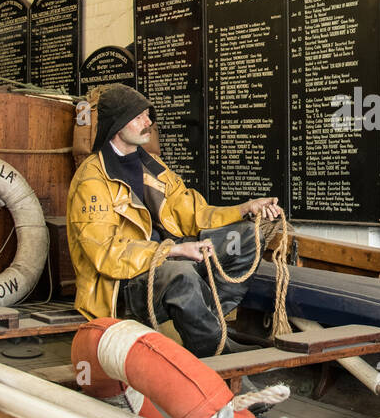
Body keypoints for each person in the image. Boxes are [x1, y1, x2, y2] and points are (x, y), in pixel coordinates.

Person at [67, 84, 283, 358]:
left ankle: (207, 330)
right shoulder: (92, 179)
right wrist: (172, 251)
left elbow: (194, 213)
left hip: (168, 260)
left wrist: (245, 208)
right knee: (181, 273)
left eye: (148, 115)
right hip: (125, 282)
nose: (149, 123)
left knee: (244, 239)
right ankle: (218, 355)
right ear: (117, 125)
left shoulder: (153, 167)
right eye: (139, 117)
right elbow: (105, 253)